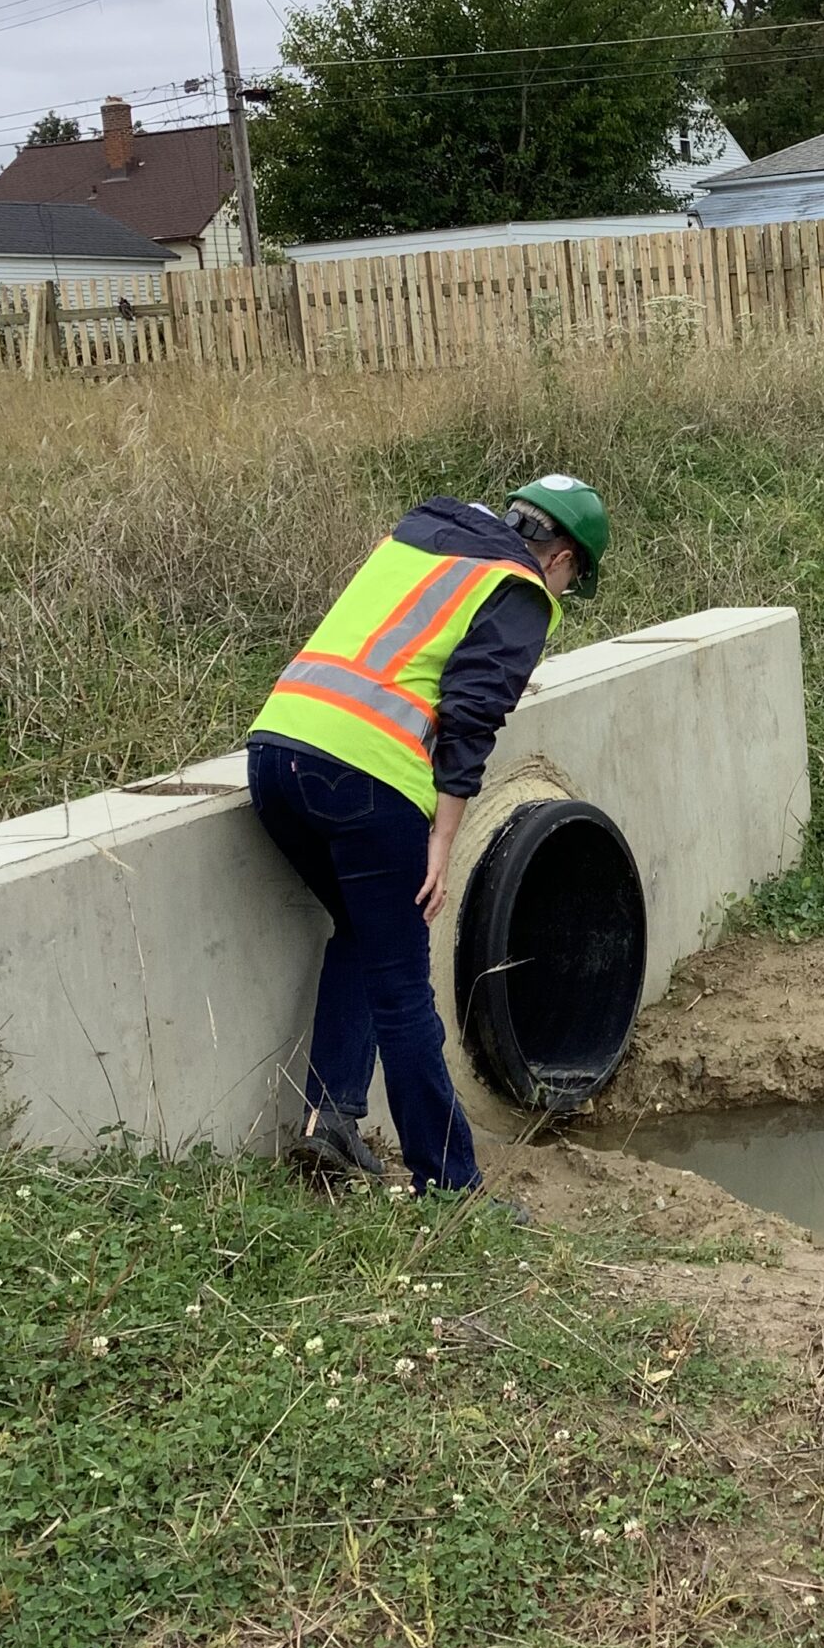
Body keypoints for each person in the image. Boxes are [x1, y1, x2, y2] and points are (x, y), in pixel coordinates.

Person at [246, 474, 611, 1194]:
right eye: (573, 582)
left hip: (277, 755)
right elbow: (471, 719)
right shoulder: (519, 589)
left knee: (361, 929)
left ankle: (333, 1122)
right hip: (368, 779)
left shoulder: (421, 538)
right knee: (406, 992)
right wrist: (442, 841)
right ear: (562, 557)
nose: (562, 596)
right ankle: (450, 1186)